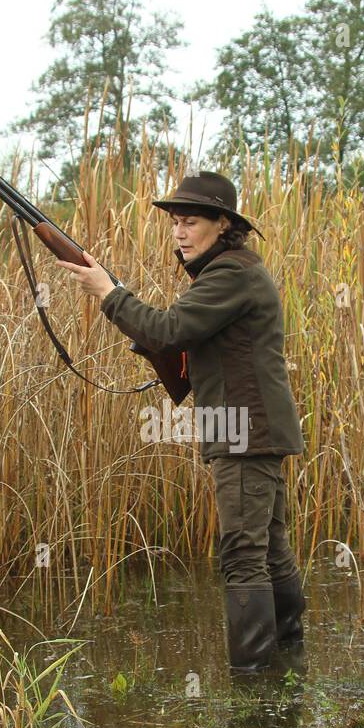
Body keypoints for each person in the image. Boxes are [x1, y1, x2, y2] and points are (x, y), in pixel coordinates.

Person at [56, 170, 306, 673]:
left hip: (243, 434)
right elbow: (178, 335)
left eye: (190, 222)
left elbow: (168, 329)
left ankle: (255, 679)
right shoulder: (233, 272)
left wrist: (109, 292)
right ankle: (286, 664)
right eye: (175, 224)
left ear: (223, 225)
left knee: (242, 555)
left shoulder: (232, 274)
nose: (179, 233)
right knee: (269, 552)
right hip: (251, 430)